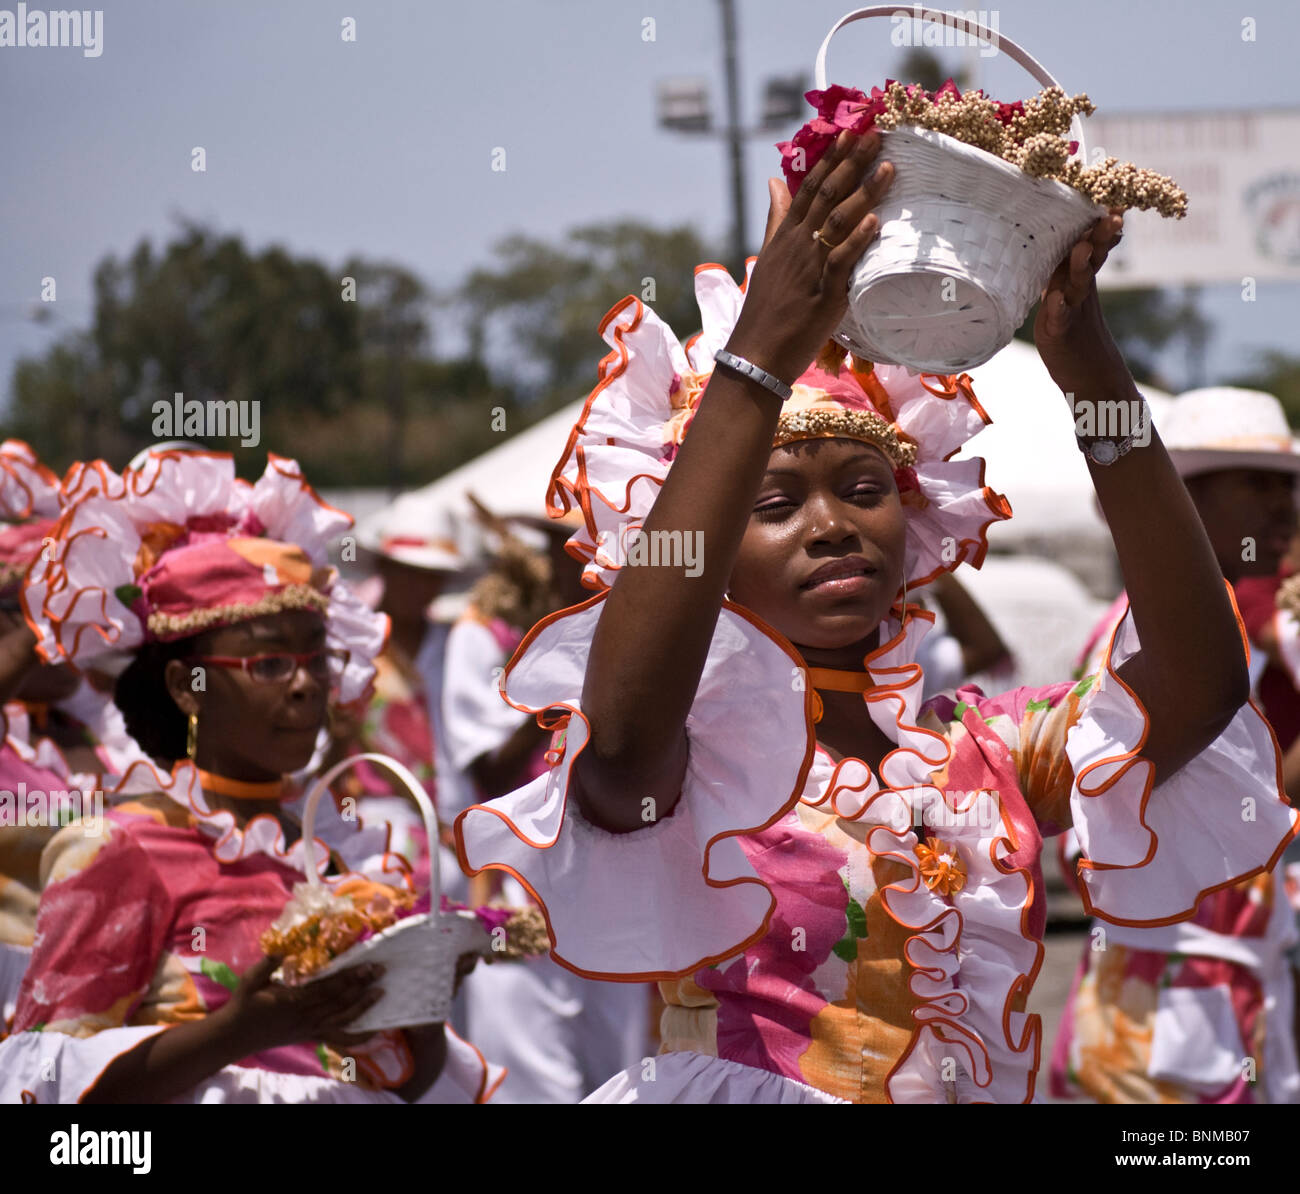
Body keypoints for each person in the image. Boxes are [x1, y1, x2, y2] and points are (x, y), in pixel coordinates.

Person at [456, 130, 1296, 1103]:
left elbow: (1198, 686)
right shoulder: (687, 761)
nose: (832, 528)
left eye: (865, 488)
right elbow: (624, 725)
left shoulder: (982, 752)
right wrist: (760, 352)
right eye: (772, 507)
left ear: (917, 516)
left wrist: (1093, 372)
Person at [0, 449, 502, 1103]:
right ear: (188, 687)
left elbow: (401, 1082)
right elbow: (44, 1089)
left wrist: (420, 1002)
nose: (304, 686)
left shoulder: (335, 861)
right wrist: (243, 1028)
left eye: (316, 659)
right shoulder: (122, 848)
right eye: (268, 663)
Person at [1051, 387, 1300, 1103]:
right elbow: (1095, 823)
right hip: (1160, 1022)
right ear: (1182, 503)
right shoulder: (1144, 642)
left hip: (1210, 1004)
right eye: (1256, 484)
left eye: (1287, 486)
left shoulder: (1221, 636)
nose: (1284, 507)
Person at [443, 509, 649, 1102]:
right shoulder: (486, 634)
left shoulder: (625, 629)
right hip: (520, 890)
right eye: (576, 550)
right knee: (529, 1081)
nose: (590, 564)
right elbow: (488, 765)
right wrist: (565, 684)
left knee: (619, 1075)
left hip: (612, 888)